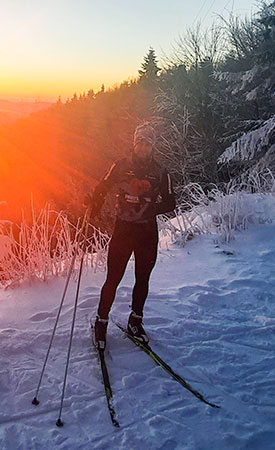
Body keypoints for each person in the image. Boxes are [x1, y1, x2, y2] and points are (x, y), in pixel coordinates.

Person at [88, 122, 175, 349]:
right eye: (140, 143)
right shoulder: (121, 166)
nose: (144, 148)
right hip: (124, 230)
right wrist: (95, 205)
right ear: (134, 144)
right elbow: (104, 185)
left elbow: (171, 202)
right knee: (113, 278)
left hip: (147, 233)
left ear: (153, 146)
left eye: (148, 144)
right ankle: (101, 321)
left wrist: (151, 207)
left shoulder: (160, 172)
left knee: (142, 279)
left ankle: (135, 322)